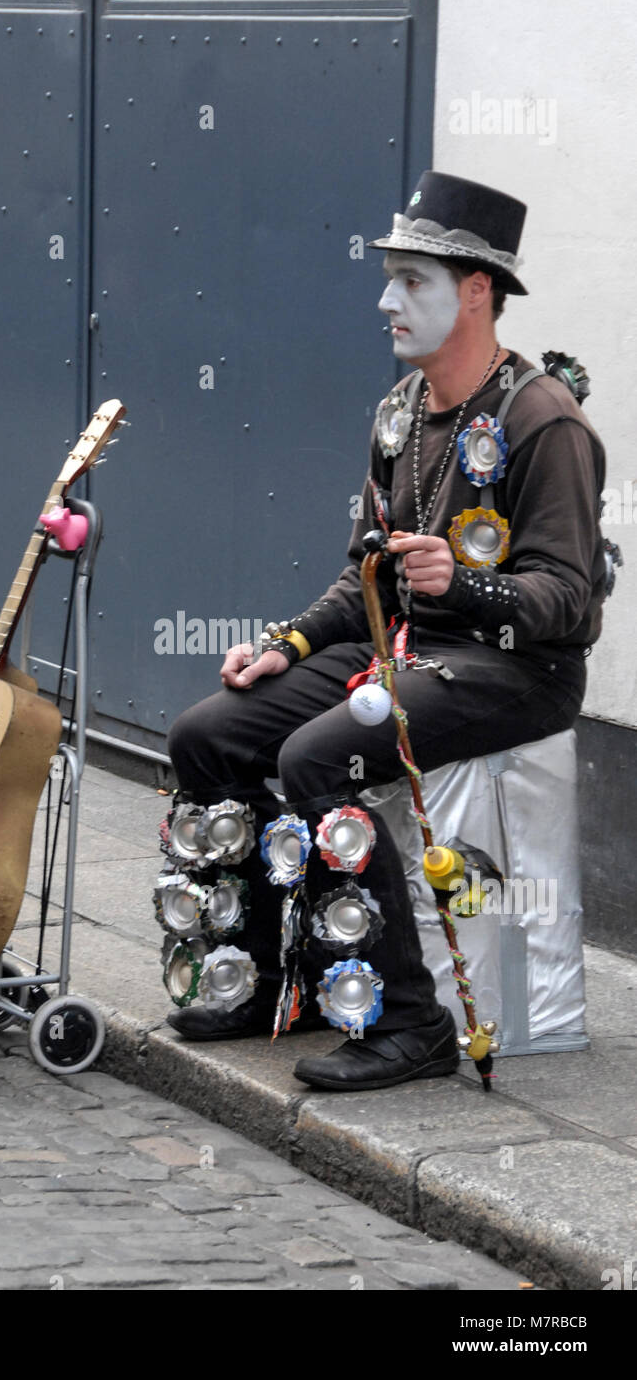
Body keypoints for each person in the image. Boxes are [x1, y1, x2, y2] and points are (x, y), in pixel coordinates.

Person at [157, 171, 607, 1091]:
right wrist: (287, 644)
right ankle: (271, 982)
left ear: (475, 290)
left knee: (322, 756)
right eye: (390, 277)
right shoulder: (399, 415)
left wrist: (472, 588)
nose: (385, 300)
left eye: (412, 280)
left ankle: (407, 1019)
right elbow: (363, 573)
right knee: (207, 733)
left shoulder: (542, 420)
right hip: (399, 647)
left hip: (512, 669)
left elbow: (571, 602)